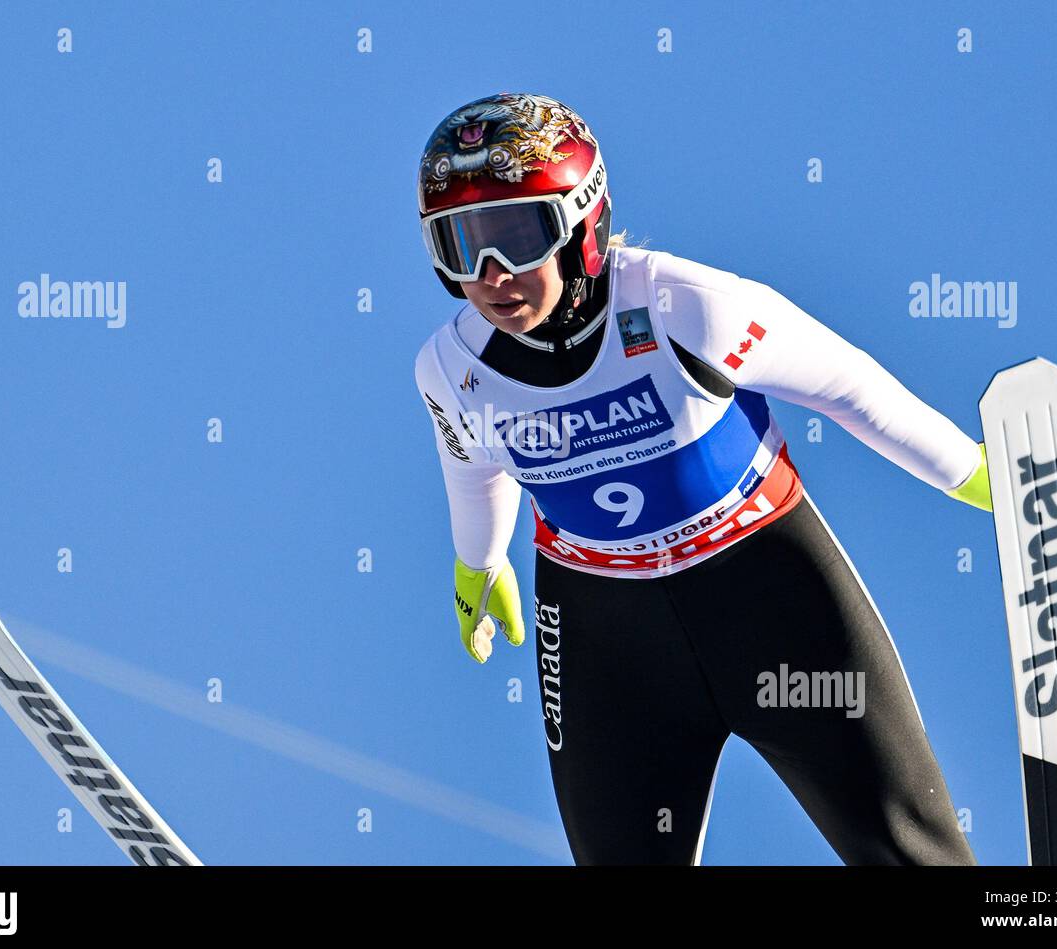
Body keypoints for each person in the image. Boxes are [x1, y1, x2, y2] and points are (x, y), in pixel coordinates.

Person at [412, 92, 993, 865]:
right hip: (608, 640)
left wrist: (983, 476)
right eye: (459, 245)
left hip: (770, 596)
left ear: (584, 225)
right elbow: (475, 466)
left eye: (517, 235)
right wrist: (477, 563)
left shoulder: (687, 307)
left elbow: (850, 387)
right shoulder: (450, 370)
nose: (491, 274)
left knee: (909, 851)